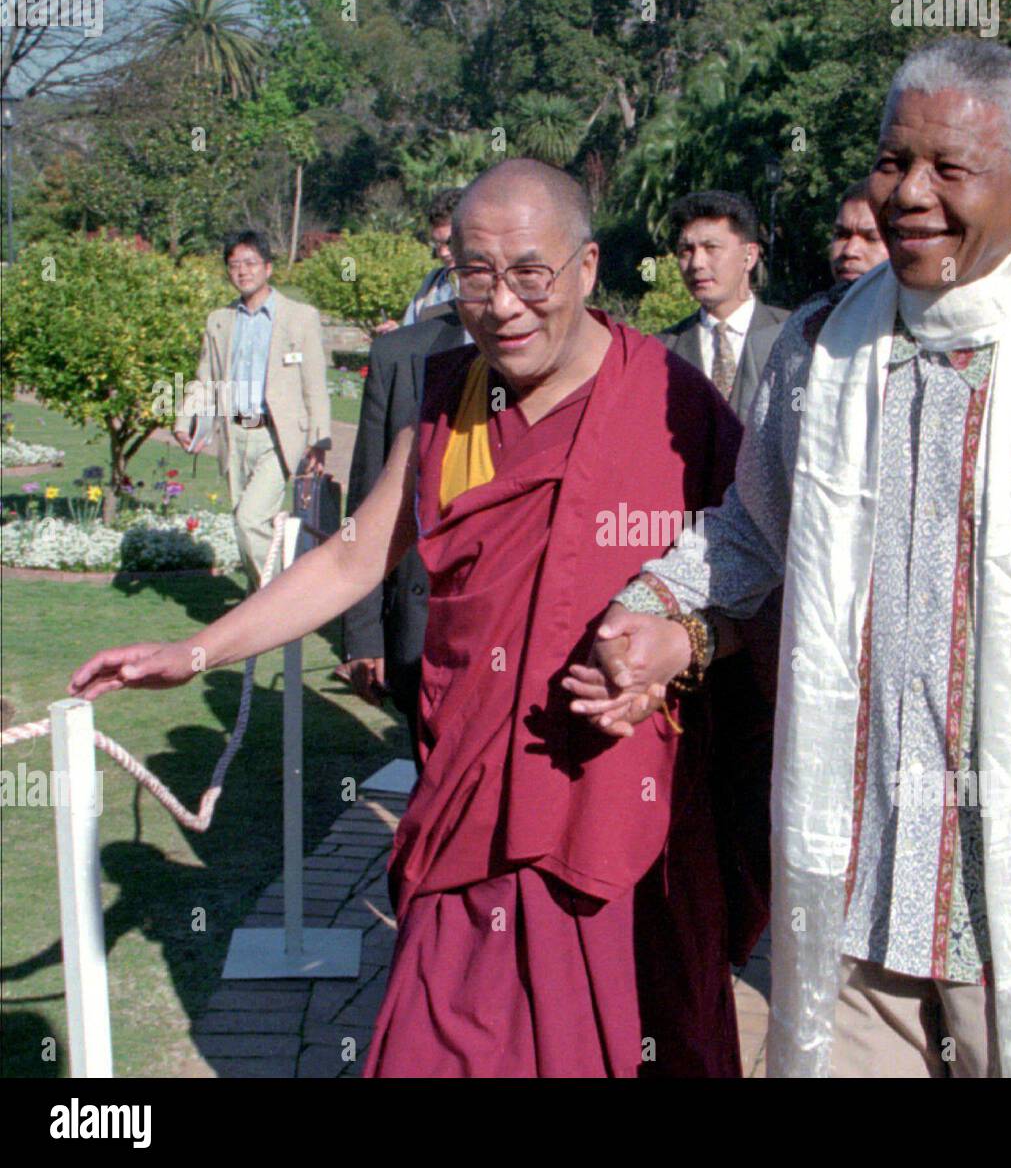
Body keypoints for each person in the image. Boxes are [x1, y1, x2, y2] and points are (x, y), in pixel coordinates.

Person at [568, 37, 1011, 1078]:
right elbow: (753, 530)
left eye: (947, 170)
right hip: (851, 878)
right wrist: (662, 602)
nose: (906, 195)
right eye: (889, 161)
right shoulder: (820, 352)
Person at [71, 158, 758, 1079]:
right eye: (477, 274)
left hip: (616, 807)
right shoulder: (451, 403)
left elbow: (757, 584)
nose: (503, 304)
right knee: (437, 1045)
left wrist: (681, 647)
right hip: (472, 802)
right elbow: (355, 555)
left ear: (588, 269)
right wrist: (194, 650)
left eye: (530, 273)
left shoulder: (675, 406)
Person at [340, 305, 469, 763]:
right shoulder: (400, 354)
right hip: (421, 632)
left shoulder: (581, 355)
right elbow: (366, 502)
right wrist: (363, 635)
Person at [174, 229, 329, 590]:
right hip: (234, 436)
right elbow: (205, 378)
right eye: (234, 265)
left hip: (277, 438)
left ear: (268, 268)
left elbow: (315, 383)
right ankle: (261, 597)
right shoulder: (219, 321)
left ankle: (274, 603)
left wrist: (319, 441)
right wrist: (185, 420)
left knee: (250, 519)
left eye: (250, 263)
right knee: (245, 523)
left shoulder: (300, 317)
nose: (242, 272)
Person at [656, 191, 788, 424]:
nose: (697, 263)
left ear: (750, 255)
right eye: (686, 251)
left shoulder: (792, 334)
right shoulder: (661, 350)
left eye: (711, 248)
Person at [373, 188, 463, 334]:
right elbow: (413, 331)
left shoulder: (493, 282)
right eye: (437, 244)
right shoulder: (431, 284)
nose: (443, 252)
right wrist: (397, 334)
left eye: (450, 242)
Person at [828, 179, 890, 285]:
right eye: (841, 235)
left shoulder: (925, 301)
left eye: (871, 238)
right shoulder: (818, 301)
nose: (849, 251)